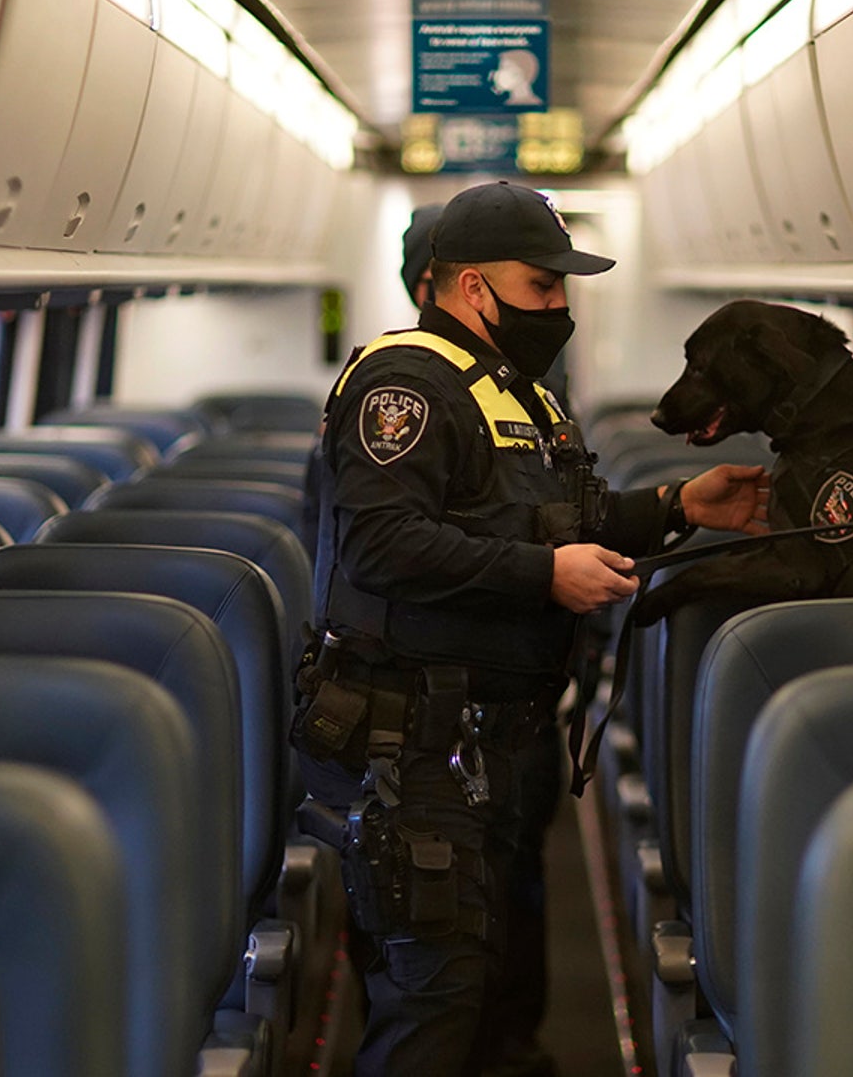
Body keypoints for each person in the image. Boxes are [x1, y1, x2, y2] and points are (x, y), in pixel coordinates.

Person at [294, 180, 768, 1076]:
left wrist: (678, 505)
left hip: (493, 738)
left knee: (485, 989)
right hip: (415, 746)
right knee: (432, 1002)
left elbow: (567, 518)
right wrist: (544, 576)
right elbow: (382, 546)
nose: (560, 307)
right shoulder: (403, 386)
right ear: (472, 287)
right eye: (542, 287)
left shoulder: (519, 397)